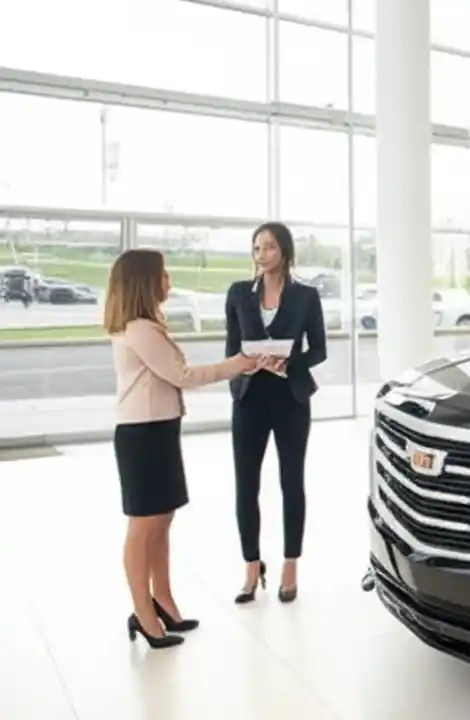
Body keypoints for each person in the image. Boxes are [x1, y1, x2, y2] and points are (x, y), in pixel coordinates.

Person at [106, 249, 259, 649]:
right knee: (144, 526)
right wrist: (236, 364)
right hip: (143, 435)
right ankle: (143, 613)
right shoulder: (139, 329)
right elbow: (182, 375)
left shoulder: (145, 325)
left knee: (161, 520)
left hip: (157, 430)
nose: (169, 281)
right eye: (163, 274)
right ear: (145, 281)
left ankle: (165, 604)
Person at [224, 222, 327, 605]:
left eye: (268, 247)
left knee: (291, 482)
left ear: (284, 251)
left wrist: (289, 362)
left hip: (290, 398)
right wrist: (248, 362)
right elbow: (232, 348)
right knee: (246, 485)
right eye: (256, 248)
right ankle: (251, 567)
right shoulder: (238, 294)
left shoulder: (305, 296)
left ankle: (290, 566)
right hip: (249, 398)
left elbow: (318, 349)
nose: (261, 254)